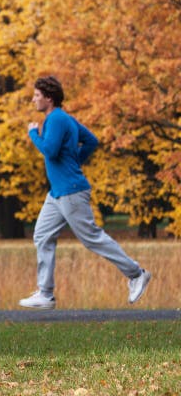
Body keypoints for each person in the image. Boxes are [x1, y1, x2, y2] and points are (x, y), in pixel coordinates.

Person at [19, 75, 151, 309]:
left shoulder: (56, 119)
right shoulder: (65, 119)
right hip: (57, 193)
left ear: (48, 98)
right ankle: (46, 294)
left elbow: (49, 151)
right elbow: (91, 141)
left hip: (70, 191)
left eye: (37, 95)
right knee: (42, 235)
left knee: (91, 238)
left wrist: (33, 134)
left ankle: (136, 273)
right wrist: (74, 161)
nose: (33, 100)